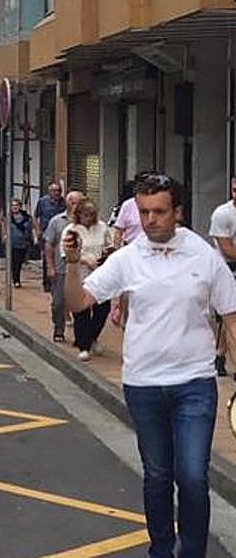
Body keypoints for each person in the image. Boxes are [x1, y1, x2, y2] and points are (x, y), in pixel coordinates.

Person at [63, 173, 236, 558]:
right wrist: (73, 265)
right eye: (143, 212)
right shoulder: (127, 257)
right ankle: (160, 550)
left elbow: (231, 316)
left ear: (178, 211)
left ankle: (192, 552)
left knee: (192, 476)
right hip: (143, 385)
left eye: (159, 211)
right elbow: (79, 303)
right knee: (158, 476)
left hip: (195, 382)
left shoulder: (204, 255)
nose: (150, 220)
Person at [62, 200, 111, 362]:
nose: (88, 218)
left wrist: (106, 255)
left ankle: (92, 337)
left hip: (99, 274)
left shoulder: (102, 227)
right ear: (78, 215)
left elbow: (108, 245)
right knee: (81, 313)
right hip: (80, 275)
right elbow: (66, 253)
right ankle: (83, 346)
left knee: (102, 310)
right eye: (85, 215)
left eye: (91, 215)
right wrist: (83, 259)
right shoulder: (72, 230)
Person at [43, 190, 84, 343]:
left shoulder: (87, 222)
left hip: (81, 270)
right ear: (66, 203)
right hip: (61, 269)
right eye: (72, 202)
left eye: (78, 202)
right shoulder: (56, 221)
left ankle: (81, 336)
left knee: (80, 304)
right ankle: (58, 329)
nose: (75, 206)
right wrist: (50, 266)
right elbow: (49, 245)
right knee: (58, 302)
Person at [207, 177, 236, 375]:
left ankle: (220, 354)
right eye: (234, 189)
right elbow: (228, 250)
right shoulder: (222, 214)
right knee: (231, 316)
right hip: (227, 270)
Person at [34, 182, 65, 291]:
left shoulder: (64, 202)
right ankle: (46, 282)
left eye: (58, 191)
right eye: (54, 191)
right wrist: (37, 231)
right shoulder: (43, 202)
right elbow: (35, 216)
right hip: (46, 234)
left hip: (60, 234)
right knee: (47, 258)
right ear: (49, 192)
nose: (56, 193)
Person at [8, 198, 35, 289]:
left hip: (22, 243)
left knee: (19, 261)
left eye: (16, 205)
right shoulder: (8, 217)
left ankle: (16, 278)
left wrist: (32, 239)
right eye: (13, 206)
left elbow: (30, 229)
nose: (15, 207)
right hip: (11, 243)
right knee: (13, 261)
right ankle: (15, 279)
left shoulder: (27, 217)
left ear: (20, 206)